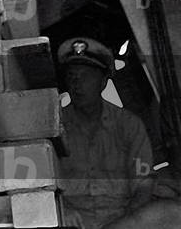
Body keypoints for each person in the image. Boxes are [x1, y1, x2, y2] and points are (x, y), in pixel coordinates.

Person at [56, 37, 153, 228]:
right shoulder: (55, 128)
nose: (77, 83)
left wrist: (129, 221)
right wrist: (61, 211)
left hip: (122, 221)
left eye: (86, 76)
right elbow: (39, 185)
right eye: (72, 76)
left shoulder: (129, 125)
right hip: (72, 224)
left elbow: (143, 186)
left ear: (103, 82)